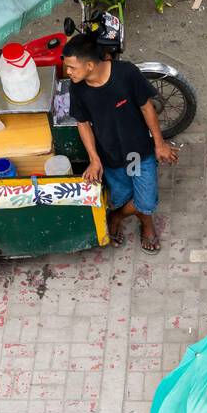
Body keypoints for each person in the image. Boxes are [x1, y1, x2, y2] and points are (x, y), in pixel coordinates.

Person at [64, 33, 179, 254]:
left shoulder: (126, 73)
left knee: (145, 200)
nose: (68, 72)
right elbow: (83, 123)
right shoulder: (77, 88)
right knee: (122, 195)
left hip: (138, 153)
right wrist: (94, 160)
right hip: (110, 156)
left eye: (71, 67)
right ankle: (129, 216)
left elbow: (147, 107)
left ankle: (133, 220)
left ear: (89, 65)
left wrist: (159, 143)